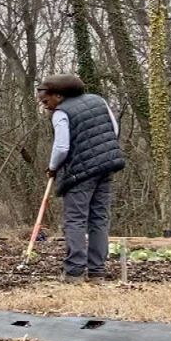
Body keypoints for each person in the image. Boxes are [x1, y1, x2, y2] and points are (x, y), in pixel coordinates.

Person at [36, 73, 125, 283]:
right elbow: (114, 129)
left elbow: (61, 147)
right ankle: (97, 272)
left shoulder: (61, 113)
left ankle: (74, 272)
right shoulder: (98, 100)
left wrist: (52, 167)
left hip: (79, 173)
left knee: (75, 220)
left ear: (58, 95)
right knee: (99, 219)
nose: (46, 106)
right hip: (107, 166)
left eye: (46, 101)